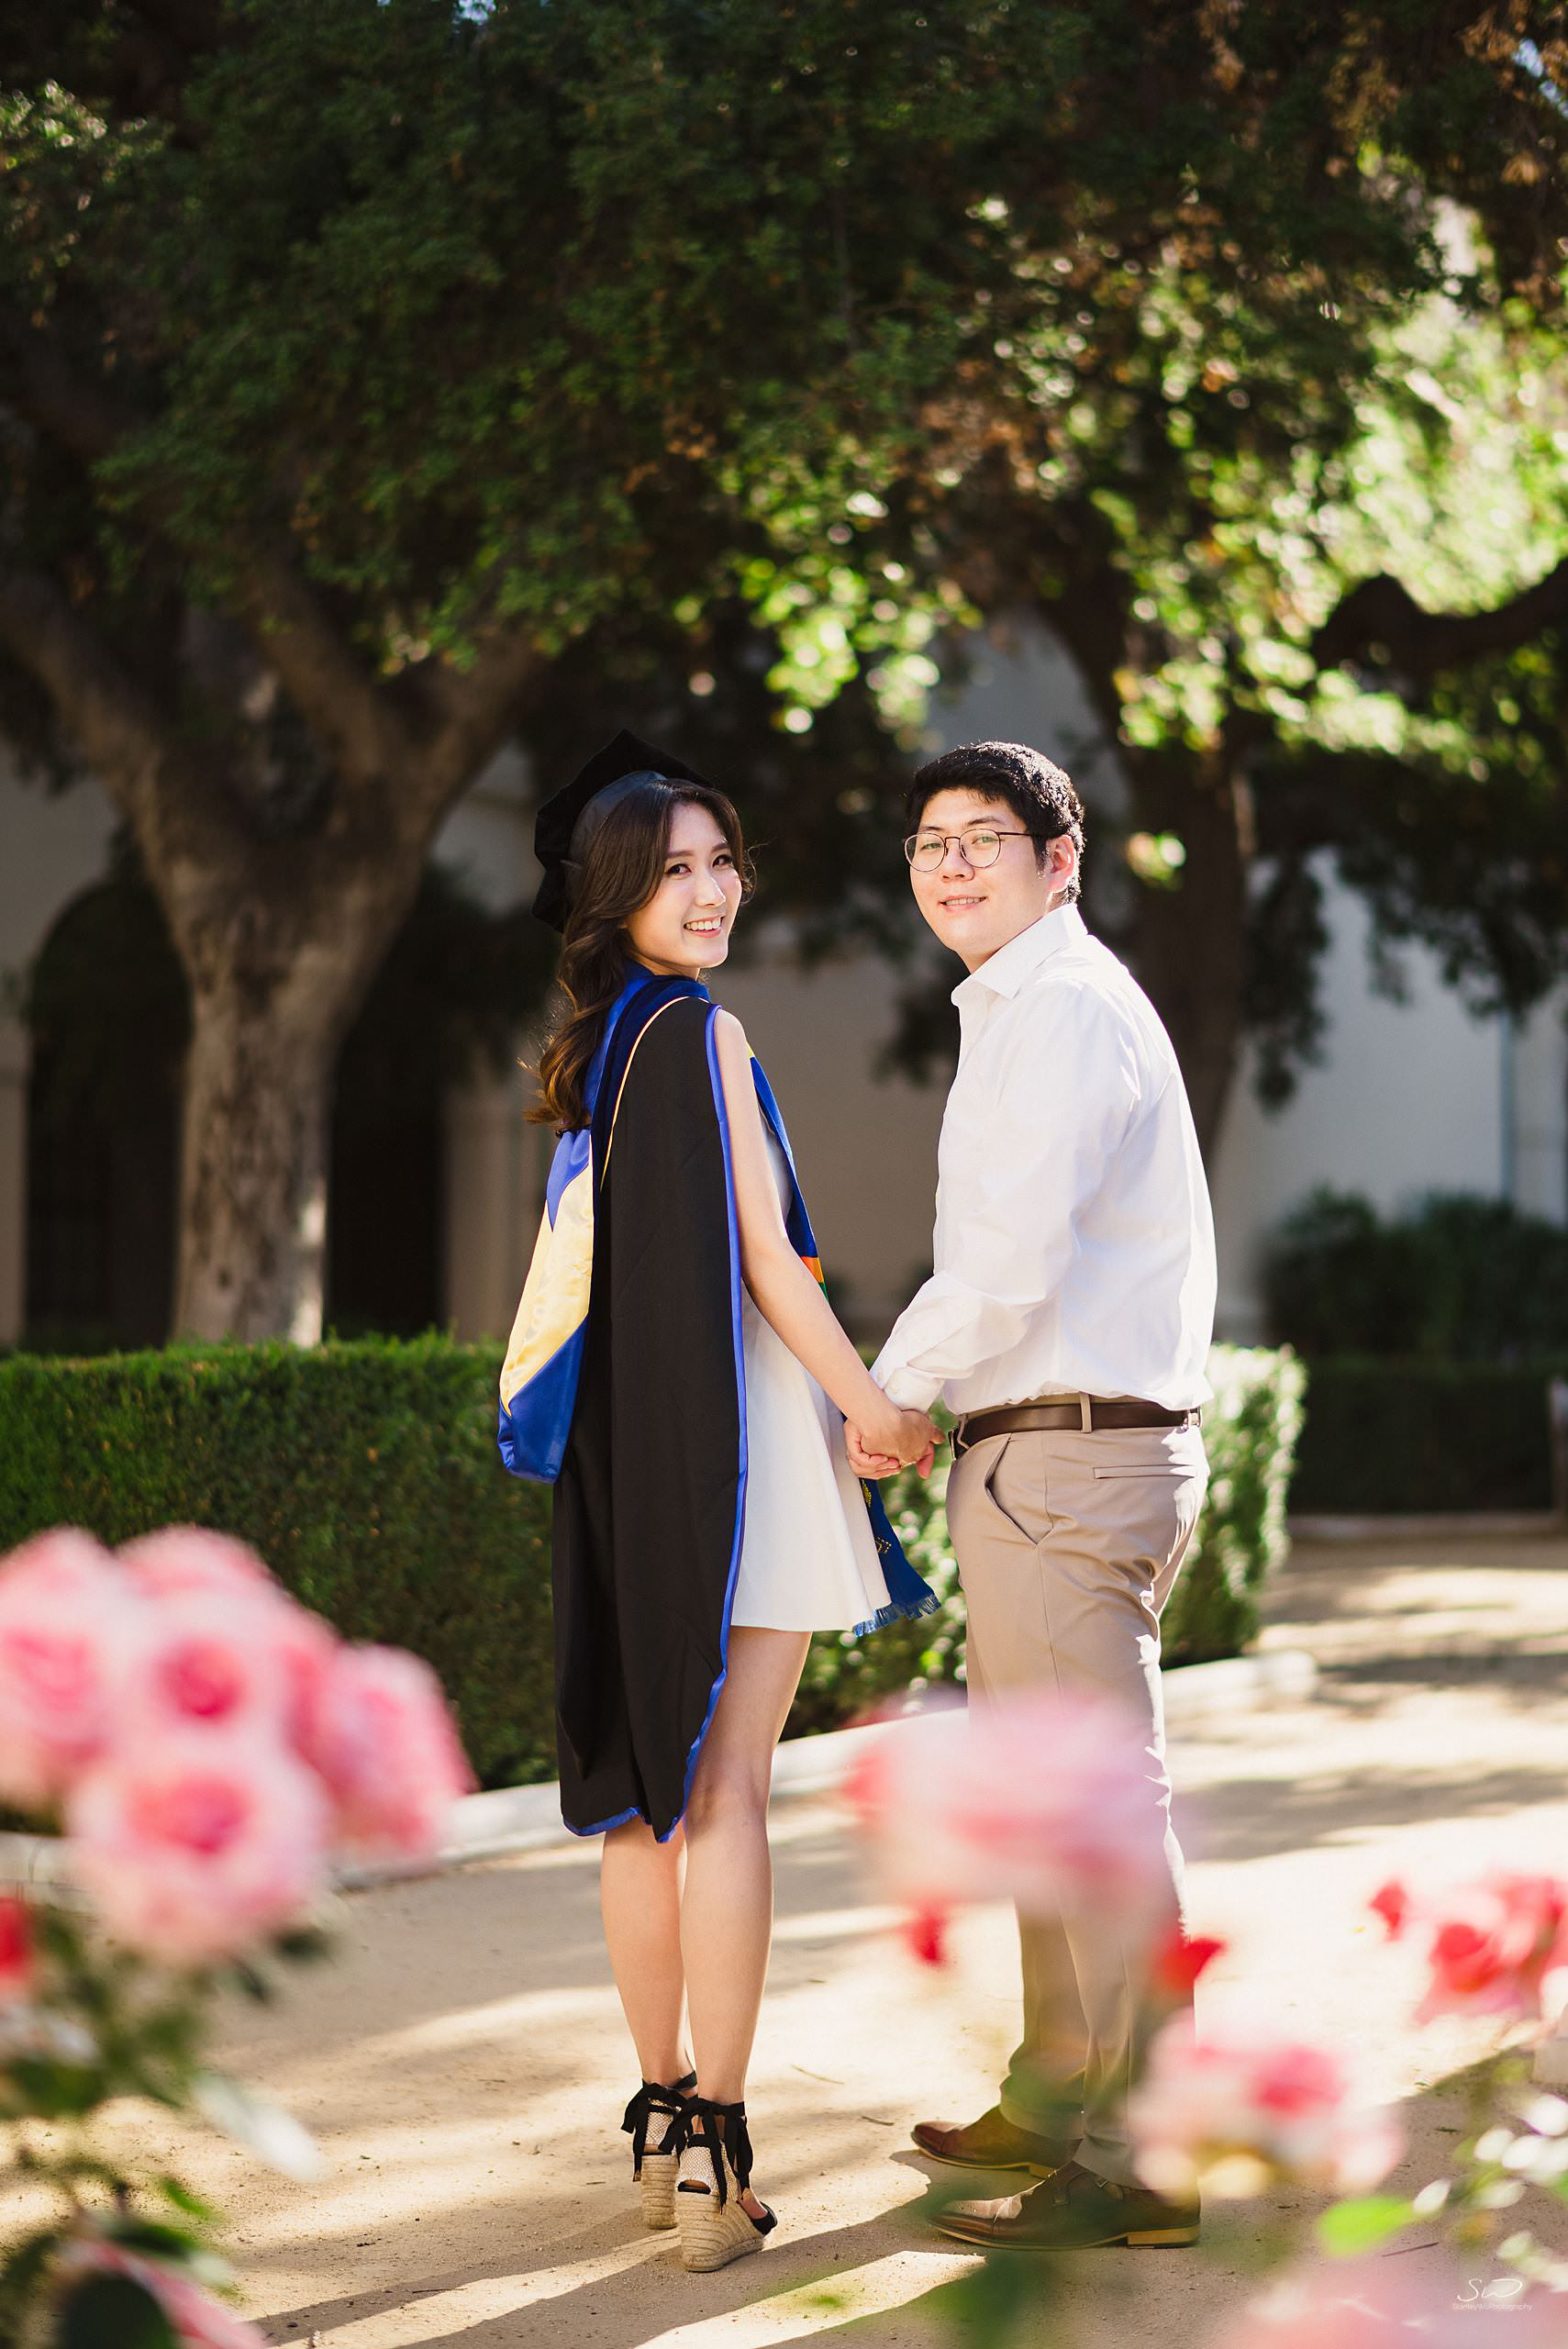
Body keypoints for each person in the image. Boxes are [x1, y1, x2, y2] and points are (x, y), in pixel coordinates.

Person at [498, 731, 939, 2274]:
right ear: (616, 894)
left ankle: (660, 2118)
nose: (708, 890)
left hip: (630, 1446)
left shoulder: (598, 1048)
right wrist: (875, 1404)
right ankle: (721, 2156)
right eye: (672, 869)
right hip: (735, 1436)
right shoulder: (702, 1029)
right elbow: (767, 1258)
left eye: (718, 860)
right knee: (732, 1784)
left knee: (642, 1799)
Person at [846, 738, 1217, 2253]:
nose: (948, 863)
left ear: (1060, 859)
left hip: (1074, 1452)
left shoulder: (1063, 1007)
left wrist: (890, 1389)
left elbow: (1009, 1261)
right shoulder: (1015, 1008)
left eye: (981, 836)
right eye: (929, 839)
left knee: (1104, 1816)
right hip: (1034, 1454)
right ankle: (1062, 2092)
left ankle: (1146, 2158)